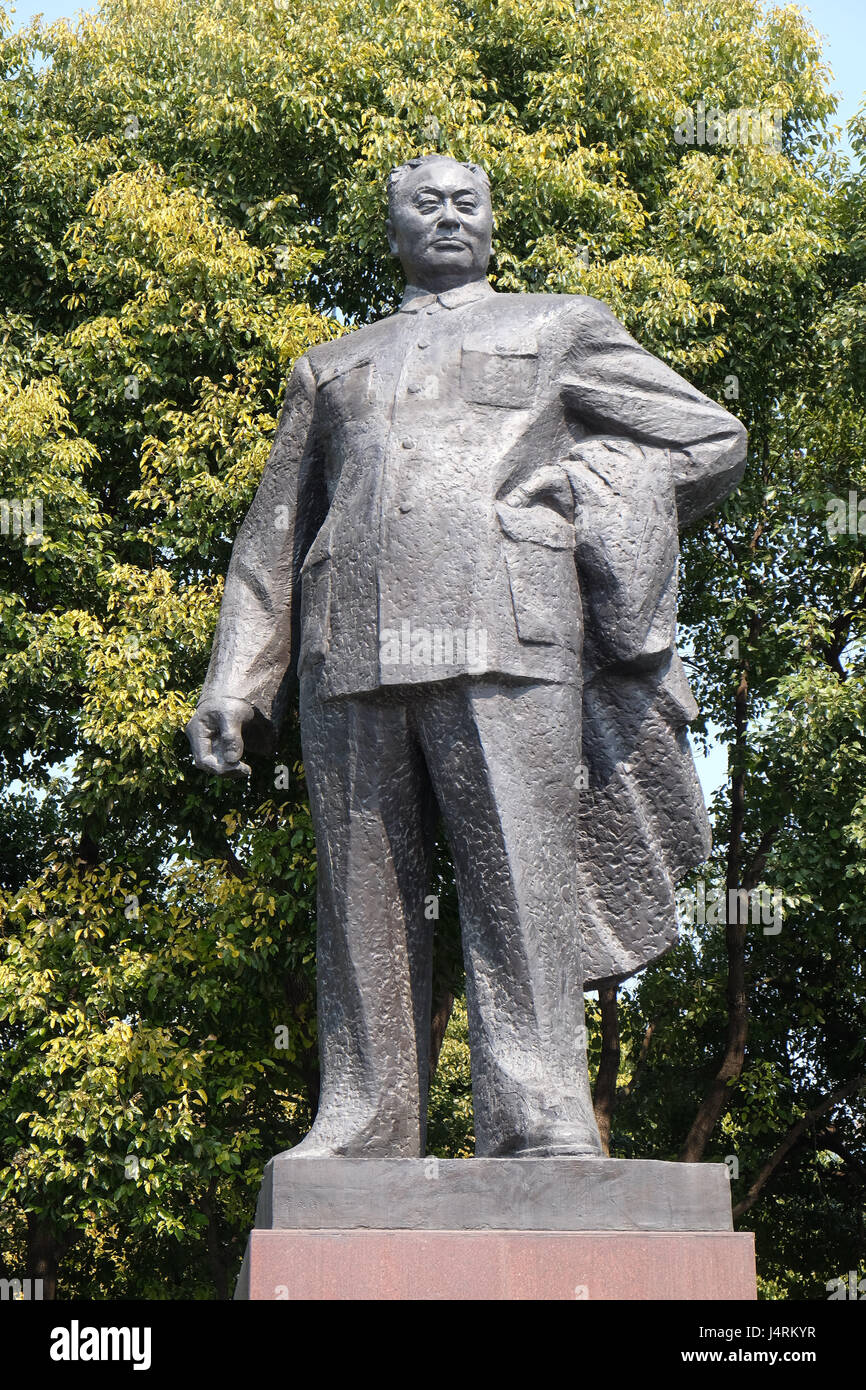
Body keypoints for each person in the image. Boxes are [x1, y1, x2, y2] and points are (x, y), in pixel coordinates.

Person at [186, 154, 747, 1159]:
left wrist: (576, 491)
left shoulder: (556, 325)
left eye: (465, 202)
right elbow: (270, 534)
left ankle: (541, 1116)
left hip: (507, 631)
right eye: (422, 204)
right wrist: (236, 674)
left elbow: (706, 437)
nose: (446, 216)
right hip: (349, 648)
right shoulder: (330, 365)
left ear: (489, 221)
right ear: (393, 230)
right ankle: (361, 1121)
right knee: (360, 887)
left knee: (518, 878)